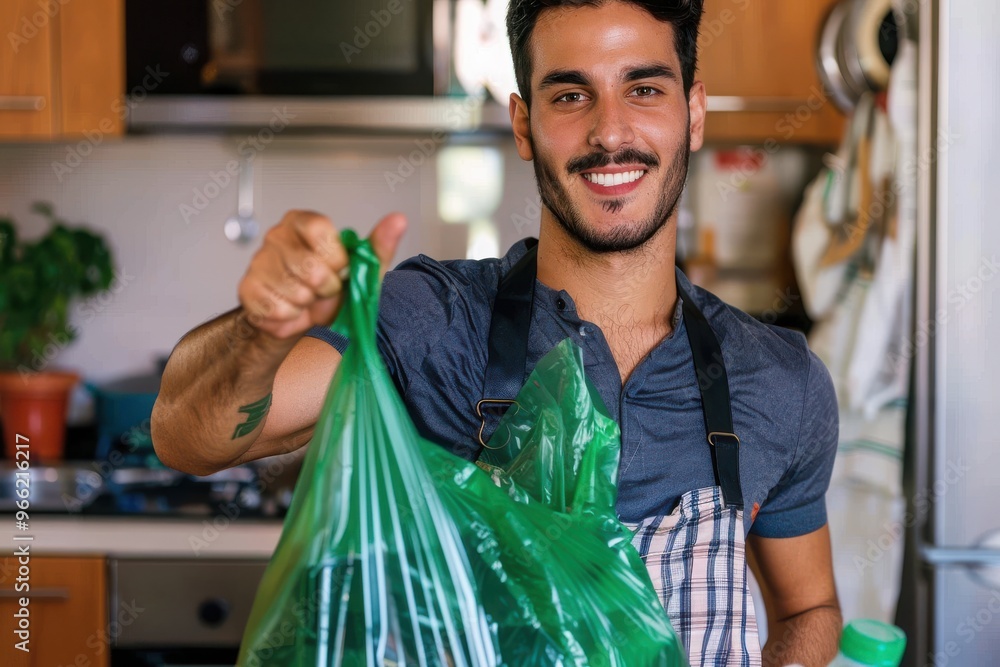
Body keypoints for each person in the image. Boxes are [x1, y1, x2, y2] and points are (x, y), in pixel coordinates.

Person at [152, 0, 842, 664]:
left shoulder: (779, 380)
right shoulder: (432, 323)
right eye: (570, 96)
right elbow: (190, 438)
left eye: (644, 90)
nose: (609, 132)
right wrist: (261, 332)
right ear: (523, 124)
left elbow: (809, 608)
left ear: (692, 114)